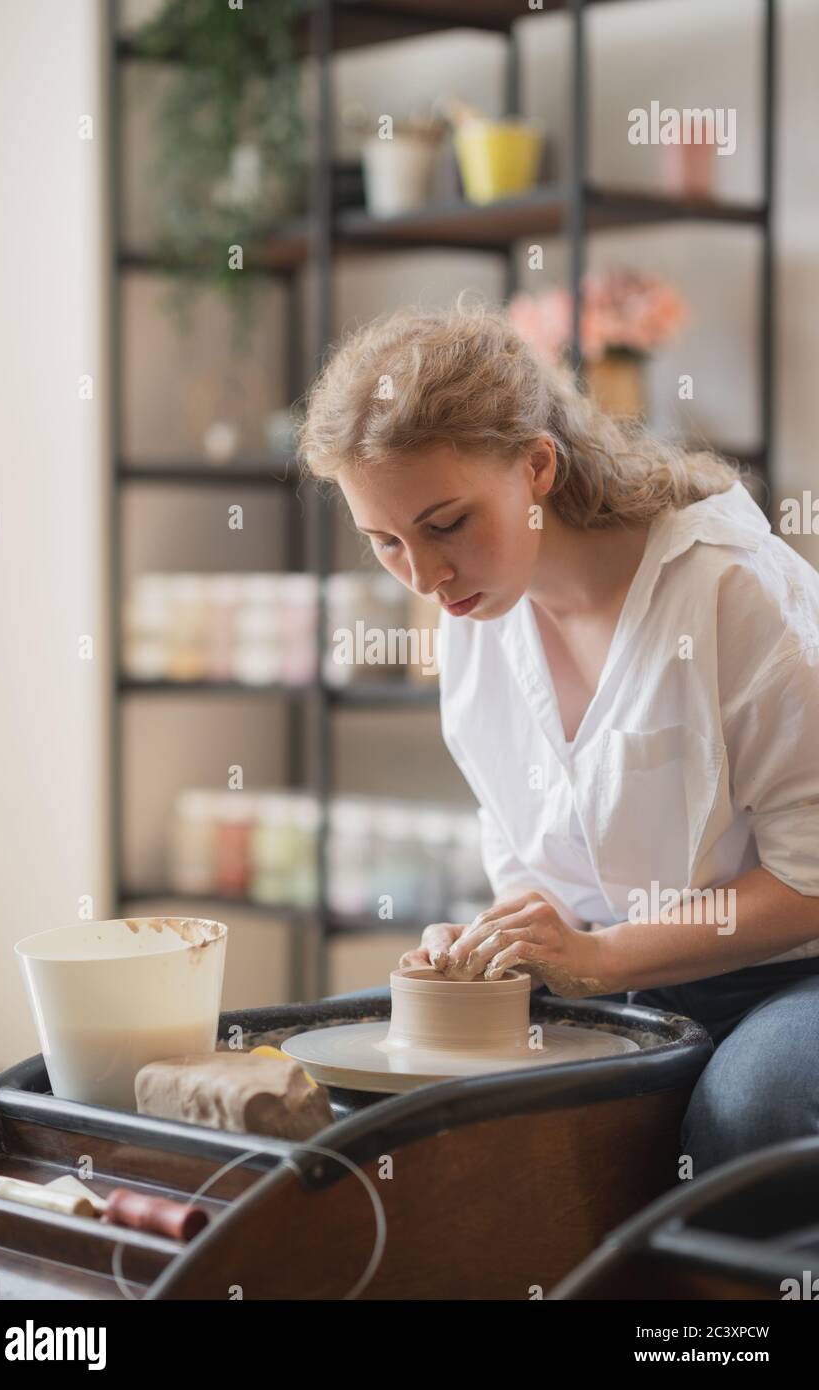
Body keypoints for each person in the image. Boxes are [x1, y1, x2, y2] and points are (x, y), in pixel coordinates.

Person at [297, 295, 819, 1176]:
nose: (424, 576)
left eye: (447, 524)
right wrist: (494, 945)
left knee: (752, 1109)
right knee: (339, 1059)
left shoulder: (726, 589)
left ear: (537, 467)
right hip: (614, 976)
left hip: (784, 977)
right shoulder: (473, 615)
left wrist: (602, 956)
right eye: (384, 541)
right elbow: (536, 866)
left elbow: (811, 883)